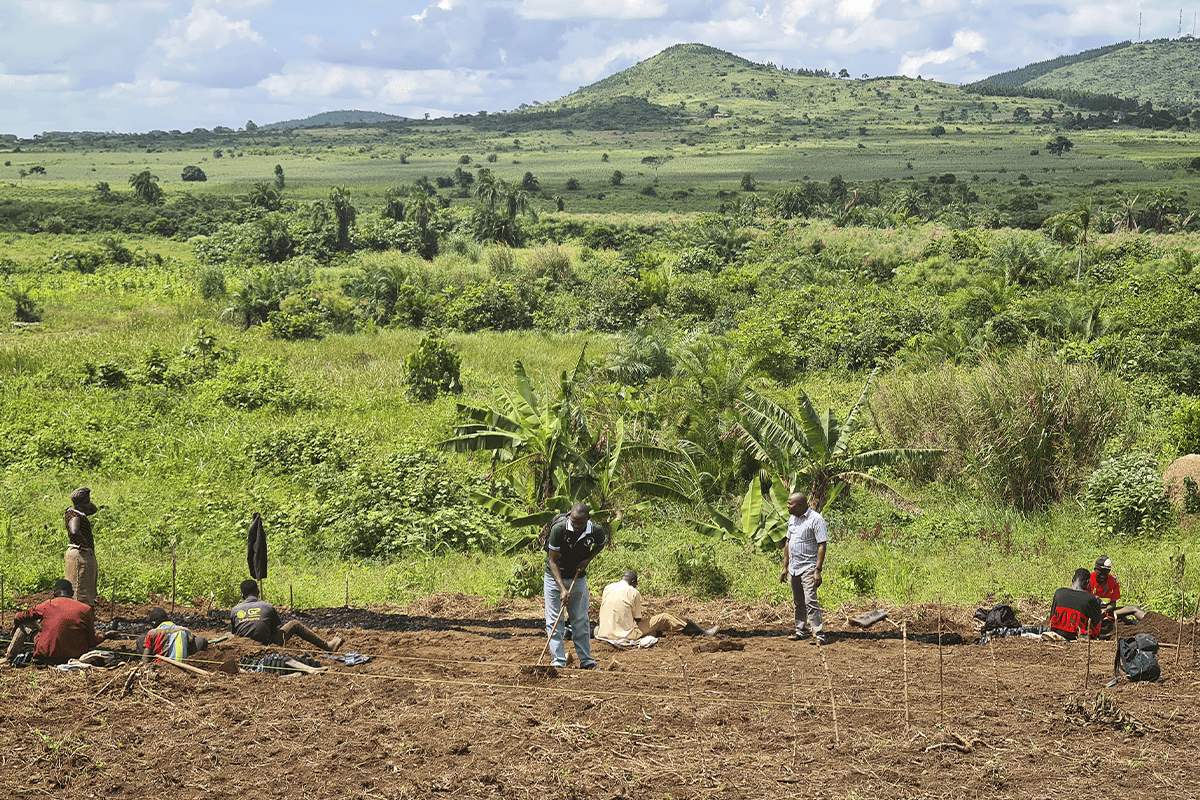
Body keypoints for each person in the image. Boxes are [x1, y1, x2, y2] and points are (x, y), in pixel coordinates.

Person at [544, 503, 608, 670]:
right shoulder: (559, 530)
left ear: (588, 520)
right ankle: (558, 662)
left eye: (580, 523)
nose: (576, 526)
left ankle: (586, 661)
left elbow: (601, 543)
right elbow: (552, 561)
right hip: (554, 578)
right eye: (573, 522)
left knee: (580, 620)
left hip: (577, 578)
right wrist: (562, 589)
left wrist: (587, 560)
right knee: (554, 622)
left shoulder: (596, 531)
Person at [1, 579, 105, 666]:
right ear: (72, 593)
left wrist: (15, 624)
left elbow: (21, 616)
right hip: (76, 656)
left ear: (54, 593)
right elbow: (91, 642)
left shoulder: (48, 605)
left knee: (26, 624)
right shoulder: (86, 609)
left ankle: (8, 658)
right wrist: (103, 636)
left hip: (48, 656)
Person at [596, 571, 718, 641]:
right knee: (664, 618)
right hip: (624, 634)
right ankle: (701, 633)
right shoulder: (633, 592)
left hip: (603, 631)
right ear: (633, 582)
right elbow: (637, 619)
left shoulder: (608, 587)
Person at [231, 580, 344, 652]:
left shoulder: (235, 610)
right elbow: (274, 629)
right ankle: (328, 646)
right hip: (266, 645)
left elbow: (235, 633)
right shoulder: (267, 606)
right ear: (258, 592)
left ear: (242, 595)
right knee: (295, 624)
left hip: (245, 648)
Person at [780, 493, 828, 644]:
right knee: (798, 602)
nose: (788, 506)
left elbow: (822, 544)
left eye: (790, 504)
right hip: (794, 567)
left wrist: (818, 570)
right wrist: (785, 567)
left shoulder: (816, 519)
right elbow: (788, 542)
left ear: (800, 505)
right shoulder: (792, 519)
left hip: (808, 566)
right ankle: (801, 631)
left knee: (810, 601)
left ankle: (819, 634)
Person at [1088, 556, 1146, 634]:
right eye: (1100, 573)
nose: (1102, 576)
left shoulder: (1113, 581)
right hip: (1091, 613)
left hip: (1108, 612)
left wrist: (1105, 611)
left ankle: (1151, 624)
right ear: (1095, 570)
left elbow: (1113, 604)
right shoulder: (1088, 579)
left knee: (1135, 608)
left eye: (1105, 573)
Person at [64, 486, 100, 607]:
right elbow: (74, 531)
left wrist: (86, 502)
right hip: (80, 554)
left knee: (87, 585)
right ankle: (80, 612)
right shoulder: (74, 515)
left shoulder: (77, 511)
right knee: (80, 586)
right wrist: (84, 545)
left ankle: (84, 612)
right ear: (78, 503)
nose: (88, 505)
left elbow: (93, 510)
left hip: (82, 552)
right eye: (86, 502)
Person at [1048, 568, 1103, 641]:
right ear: (1088, 582)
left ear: (1072, 579)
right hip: (1077, 636)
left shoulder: (1059, 593)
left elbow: (1052, 617)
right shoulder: (1090, 599)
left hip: (1057, 632)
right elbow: (1097, 628)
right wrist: (1098, 605)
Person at [140, 607, 208, 663]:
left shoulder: (152, 633)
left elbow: (145, 658)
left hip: (161, 664)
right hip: (183, 662)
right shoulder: (184, 629)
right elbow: (191, 640)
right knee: (201, 640)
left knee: (141, 640)